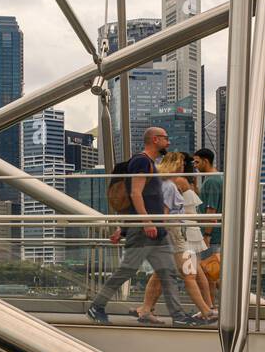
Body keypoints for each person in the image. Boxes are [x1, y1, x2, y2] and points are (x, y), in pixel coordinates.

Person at [86, 128, 206, 327]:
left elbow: (145, 198)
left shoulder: (150, 163)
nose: (168, 142)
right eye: (166, 138)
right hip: (145, 230)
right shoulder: (141, 161)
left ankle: (178, 316)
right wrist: (146, 222)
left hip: (156, 230)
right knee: (126, 271)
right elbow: (135, 193)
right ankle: (96, 306)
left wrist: (130, 227)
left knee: (168, 273)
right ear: (155, 139)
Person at [134, 152, 217, 322]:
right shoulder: (170, 186)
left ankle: (145, 310)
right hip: (175, 234)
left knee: (160, 273)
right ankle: (206, 311)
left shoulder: (159, 184)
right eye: (179, 164)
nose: (182, 167)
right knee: (189, 273)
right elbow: (163, 214)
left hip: (170, 233)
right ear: (173, 166)